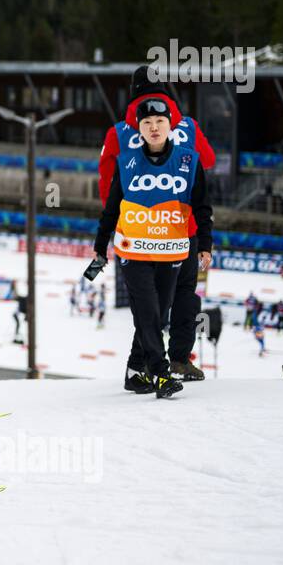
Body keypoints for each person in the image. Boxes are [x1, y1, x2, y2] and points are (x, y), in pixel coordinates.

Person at [99, 65, 216, 382]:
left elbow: (107, 184)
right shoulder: (188, 127)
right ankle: (178, 359)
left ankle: (144, 366)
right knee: (184, 297)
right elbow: (207, 162)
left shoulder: (119, 132)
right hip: (183, 231)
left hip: (138, 234)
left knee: (148, 304)